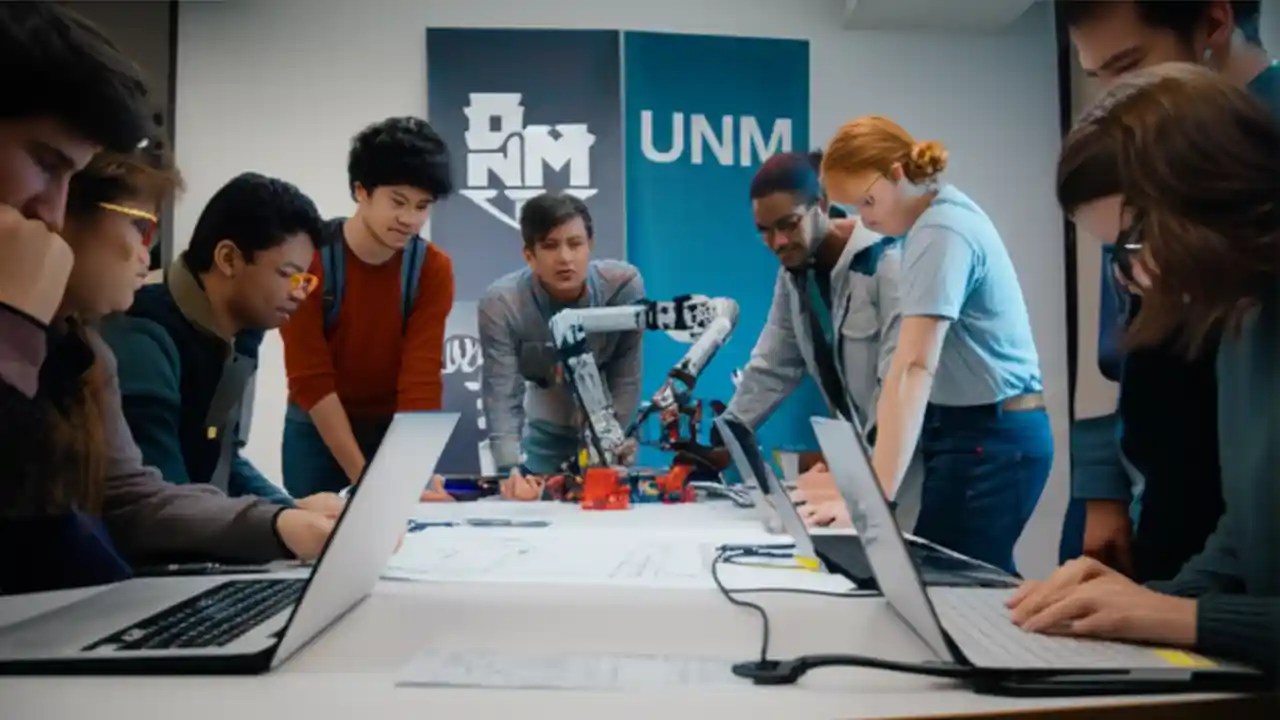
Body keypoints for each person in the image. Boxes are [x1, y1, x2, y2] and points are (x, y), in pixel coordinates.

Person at [0, 2, 332, 594]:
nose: (49, 211)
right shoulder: (139, 338)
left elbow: (127, 496)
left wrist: (283, 521)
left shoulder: (84, 350)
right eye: (139, 227)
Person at [1010, 63, 1279, 675]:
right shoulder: (1238, 321)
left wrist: (1179, 619)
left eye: (1133, 243)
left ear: (1210, 190)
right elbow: (1244, 542)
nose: (1135, 278)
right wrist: (1138, 605)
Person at [1060, 0, 1278, 581]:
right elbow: (1119, 346)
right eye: (1097, 75)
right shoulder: (1135, 172)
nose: (1110, 97)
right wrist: (1103, 483)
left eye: (1128, 64)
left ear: (1213, 23)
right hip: (1205, 521)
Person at [806, 117, 1053, 576]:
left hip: (992, 435)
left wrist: (872, 503)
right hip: (970, 429)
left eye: (868, 201)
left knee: (960, 588)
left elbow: (913, 367)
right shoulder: (928, 225)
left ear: (898, 173)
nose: (865, 219)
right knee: (950, 582)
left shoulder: (942, 231)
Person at [101, 172, 343, 517]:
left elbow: (222, 459)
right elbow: (160, 506)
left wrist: (287, 511)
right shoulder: (143, 336)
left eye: (305, 278)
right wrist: (278, 523)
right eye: (288, 275)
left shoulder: (240, 335)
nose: (300, 292)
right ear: (228, 259)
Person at [280, 117, 456, 497]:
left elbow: (421, 380)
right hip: (316, 428)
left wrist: (413, 473)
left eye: (422, 206)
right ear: (361, 191)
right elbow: (309, 376)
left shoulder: (432, 269)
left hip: (392, 429)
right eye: (398, 202)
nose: (410, 219)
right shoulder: (307, 258)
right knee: (313, 544)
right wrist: (365, 480)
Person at [719, 151, 906, 488]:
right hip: (868, 459)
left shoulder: (886, 261)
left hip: (916, 456)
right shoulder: (793, 275)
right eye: (764, 231)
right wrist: (726, 436)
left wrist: (872, 473)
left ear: (821, 204)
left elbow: (899, 382)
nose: (778, 242)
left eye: (788, 225)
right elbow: (772, 366)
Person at [478, 192, 644, 500]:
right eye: (550, 246)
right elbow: (501, 390)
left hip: (610, 436)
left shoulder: (622, 286)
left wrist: (610, 445)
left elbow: (626, 374)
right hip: (541, 439)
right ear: (529, 255)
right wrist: (509, 469)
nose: (565, 258)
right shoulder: (502, 303)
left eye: (575, 244)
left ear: (590, 245)